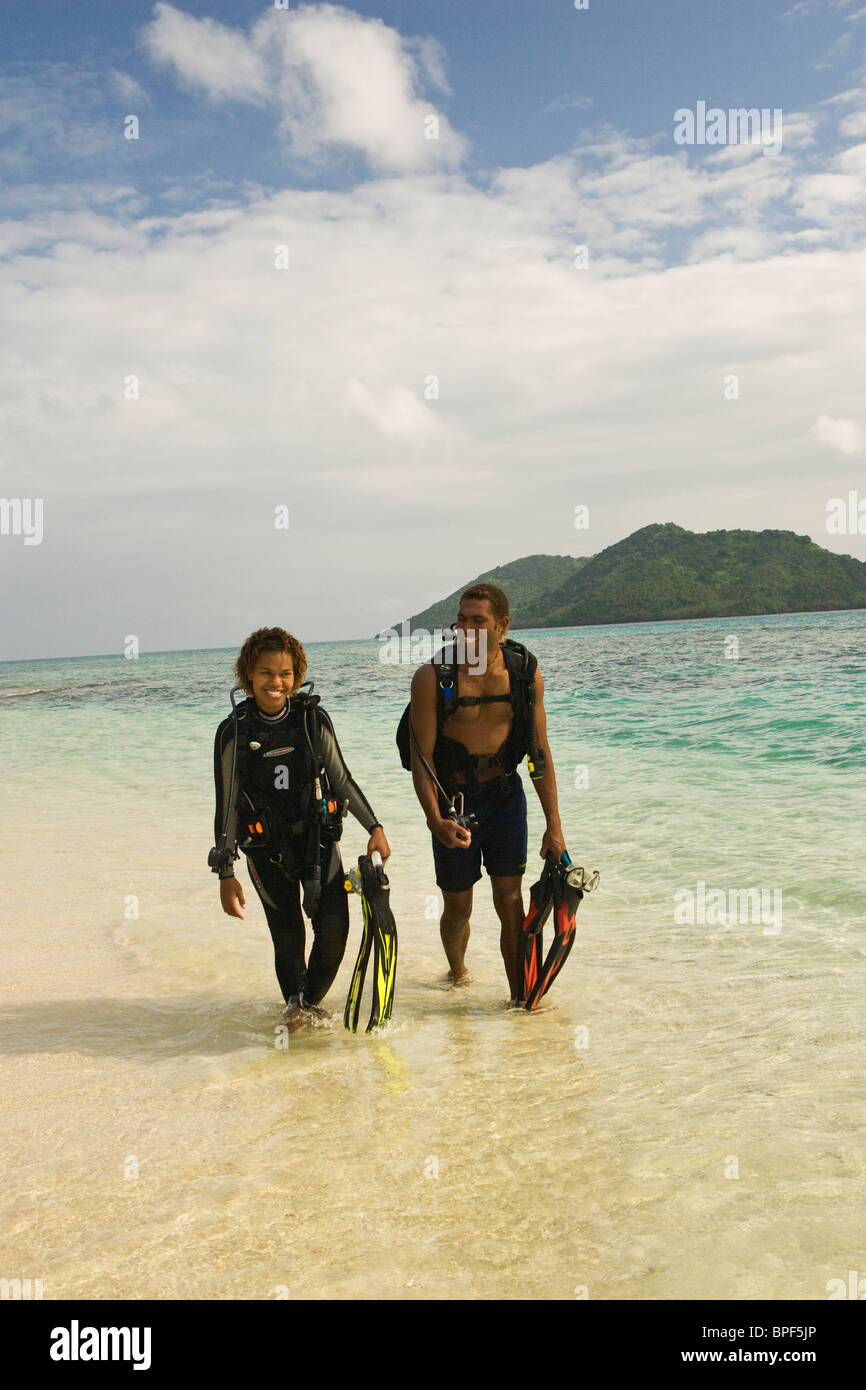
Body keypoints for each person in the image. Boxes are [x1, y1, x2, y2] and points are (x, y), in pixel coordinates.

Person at [211, 627, 390, 1031]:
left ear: (297, 675)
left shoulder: (312, 719)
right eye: (266, 673)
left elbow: (341, 779)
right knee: (287, 933)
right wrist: (226, 872)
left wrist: (374, 826)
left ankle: (305, 1006)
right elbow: (226, 808)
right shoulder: (234, 732)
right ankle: (297, 1006)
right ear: (248, 676)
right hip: (264, 850)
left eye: (285, 673)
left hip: (317, 841)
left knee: (335, 930)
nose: (276, 683)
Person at [408, 585, 565, 1003]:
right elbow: (421, 758)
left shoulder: (523, 674)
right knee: (457, 905)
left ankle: (520, 1000)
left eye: (478, 620)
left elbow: (540, 753)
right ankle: (457, 972)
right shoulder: (432, 678)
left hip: (505, 795)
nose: (467, 628)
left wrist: (555, 827)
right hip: (453, 801)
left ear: (502, 626)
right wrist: (434, 819)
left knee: (510, 899)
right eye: (461, 620)